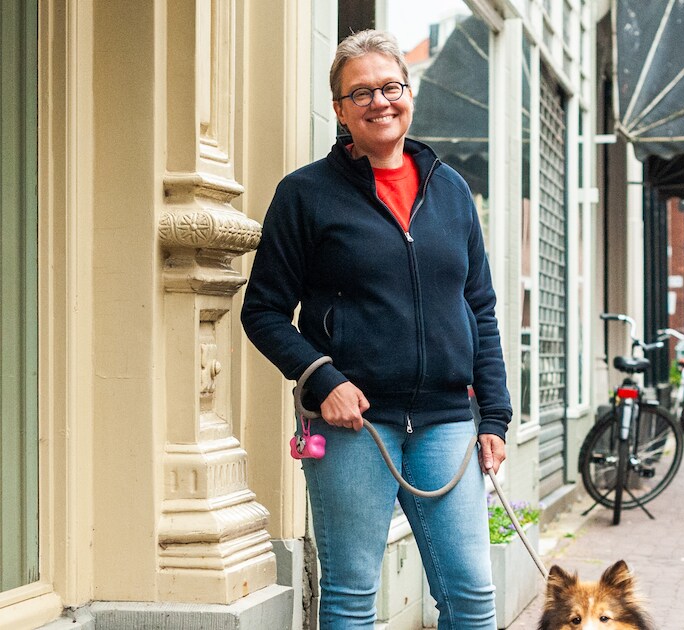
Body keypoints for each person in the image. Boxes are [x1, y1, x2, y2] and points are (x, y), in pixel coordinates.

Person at [241, 28, 510, 630]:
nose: (380, 102)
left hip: (446, 420)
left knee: (471, 597)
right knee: (351, 595)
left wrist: (493, 418)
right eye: (360, 93)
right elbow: (261, 310)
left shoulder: (452, 190)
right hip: (354, 425)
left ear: (409, 93)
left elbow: (480, 307)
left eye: (391, 87)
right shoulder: (304, 194)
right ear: (339, 109)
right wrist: (322, 377)